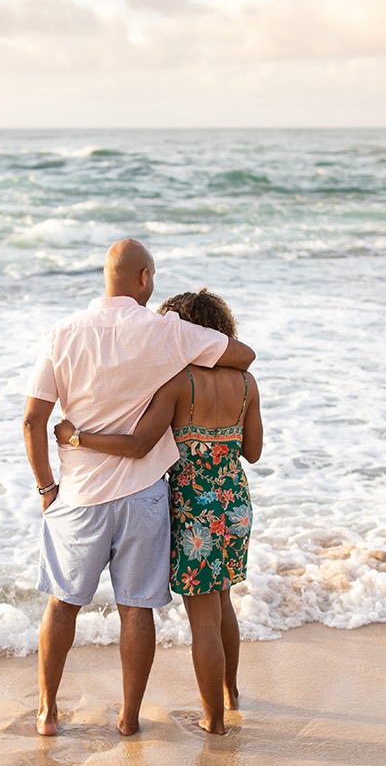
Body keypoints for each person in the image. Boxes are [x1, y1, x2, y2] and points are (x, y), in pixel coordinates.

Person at [23, 241, 255, 737]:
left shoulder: (61, 333)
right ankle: (129, 719)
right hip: (145, 494)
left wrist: (47, 488)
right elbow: (244, 355)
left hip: (79, 495)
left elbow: (32, 421)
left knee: (62, 605)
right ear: (145, 278)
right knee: (136, 609)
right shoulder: (167, 333)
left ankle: (47, 713)